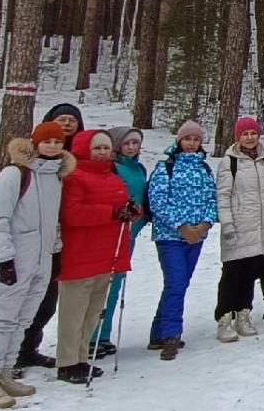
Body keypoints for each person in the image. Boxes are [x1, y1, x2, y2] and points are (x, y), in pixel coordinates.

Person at [0, 121, 72, 409]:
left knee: (22, 320)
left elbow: (51, 223)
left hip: (40, 262)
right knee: (0, 320)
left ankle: (5, 370)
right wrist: (3, 258)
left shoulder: (55, 177)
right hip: (12, 261)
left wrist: (54, 253)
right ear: (35, 143)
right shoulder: (14, 175)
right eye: (47, 141)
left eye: (57, 141)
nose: (52, 146)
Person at [55, 129, 137, 384]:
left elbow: (122, 206)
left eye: (105, 148)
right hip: (81, 254)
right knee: (74, 312)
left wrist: (132, 210)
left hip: (107, 253)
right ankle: (67, 361)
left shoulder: (112, 176)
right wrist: (112, 213)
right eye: (97, 148)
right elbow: (73, 214)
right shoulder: (75, 176)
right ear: (84, 150)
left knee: (93, 311)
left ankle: (81, 356)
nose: (102, 153)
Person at [14, 101, 86, 371]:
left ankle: (29, 347)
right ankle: (10, 353)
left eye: (72, 121)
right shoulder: (26, 163)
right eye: (61, 120)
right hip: (30, 239)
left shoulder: (77, 160)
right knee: (24, 299)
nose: (67, 125)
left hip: (60, 238)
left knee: (47, 300)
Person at [144, 120, 218, 361]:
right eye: (188, 139)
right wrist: (181, 226)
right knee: (175, 283)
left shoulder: (204, 169)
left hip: (197, 236)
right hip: (170, 236)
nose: (192, 144)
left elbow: (211, 199)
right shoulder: (165, 167)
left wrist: (205, 223)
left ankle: (159, 331)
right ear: (179, 141)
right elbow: (158, 202)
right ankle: (171, 335)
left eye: (196, 140)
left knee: (179, 285)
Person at [213, 116, 264, 344]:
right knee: (232, 273)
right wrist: (227, 224)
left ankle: (243, 313)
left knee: (251, 273)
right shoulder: (230, 162)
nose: (250, 138)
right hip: (239, 226)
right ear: (238, 137)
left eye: (253, 133)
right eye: (245, 134)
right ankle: (225, 317)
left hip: (259, 226)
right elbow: (222, 196)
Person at [88, 126, 151, 360]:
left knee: (116, 284)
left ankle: (104, 334)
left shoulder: (139, 168)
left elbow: (142, 198)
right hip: (110, 232)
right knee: (102, 284)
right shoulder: (113, 168)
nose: (132, 148)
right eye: (127, 144)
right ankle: (91, 335)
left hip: (129, 233)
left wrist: (142, 218)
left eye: (135, 143)